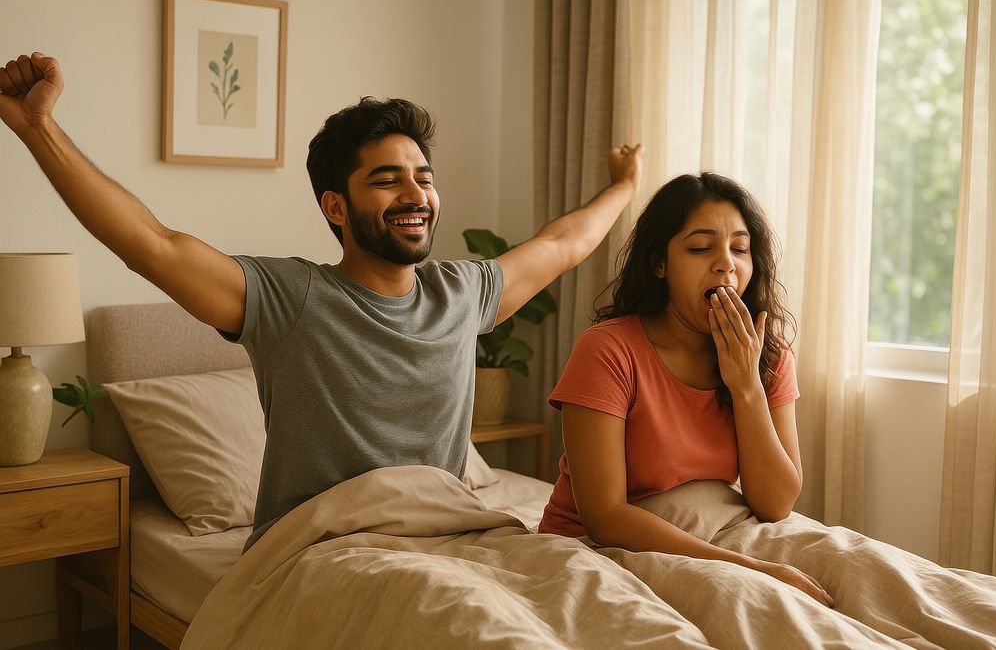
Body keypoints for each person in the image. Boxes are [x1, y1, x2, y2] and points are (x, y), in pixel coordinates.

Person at [0, 52, 643, 551]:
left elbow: (563, 244)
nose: (415, 194)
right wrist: (38, 129)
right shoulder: (289, 299)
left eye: (423, 177)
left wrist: (627, 186)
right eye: (386, 181)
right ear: (335, 206)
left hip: (454, 537)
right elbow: (155, 245)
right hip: (327, 546)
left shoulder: (462, 294)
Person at [536, 172, 834, 606]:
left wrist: (746, 385)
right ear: (659, 264)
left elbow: (775, 504)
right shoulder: (608, 349)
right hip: (596, 548)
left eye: (740, 248)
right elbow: (604, 518)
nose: (725, 263)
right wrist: (749, 568)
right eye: (700, 247)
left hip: (714, 529)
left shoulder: (767, 353)